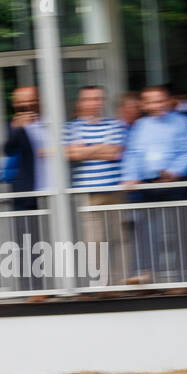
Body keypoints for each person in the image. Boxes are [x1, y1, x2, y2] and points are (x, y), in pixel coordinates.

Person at [119, 85, 187, 283]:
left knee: (178, 231)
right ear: (144, 104)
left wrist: (174, 171)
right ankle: (144, 273)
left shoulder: (183, 122)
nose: (156, 104)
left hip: (173, 183)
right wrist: (131, 176)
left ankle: (182, 279)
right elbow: (132, 154)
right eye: (151, 101)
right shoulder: (140, 125)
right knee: (144, 231)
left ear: (169, 101)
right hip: (146, 185)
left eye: (160, 100)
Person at [65, 85, 127, 284]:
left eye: (98, 98)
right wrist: (101, 148)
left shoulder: (115, 125)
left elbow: (115, 152)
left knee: (120, 239)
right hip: (88, 193)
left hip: (115, 190)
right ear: (80, 103)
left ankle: (122, 282)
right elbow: (71, 154)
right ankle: (102, 284)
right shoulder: (71, 128)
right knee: (94, 241)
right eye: (89, 99)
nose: (94, 103)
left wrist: (86, 150)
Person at [2, 86, 52, 210]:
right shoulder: (12, 126)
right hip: (27, 194)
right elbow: (10, 150)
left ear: (39, 101)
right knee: (27, 229)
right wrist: (17, 128)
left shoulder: (52, 122)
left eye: (32, 101)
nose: (28, 105)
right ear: (15, 104)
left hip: (54, 190)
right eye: (22, 103)